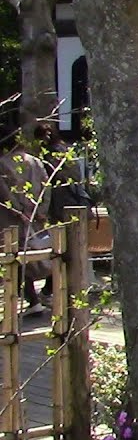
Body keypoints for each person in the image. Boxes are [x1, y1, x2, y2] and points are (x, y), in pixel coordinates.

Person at [0, 124, 50, 316]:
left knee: (14, 258)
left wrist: (18, 211)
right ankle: (36, 298)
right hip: (35, 215)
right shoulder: (35, 161)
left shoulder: (3, 163)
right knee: (31, 254)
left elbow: (5, 193)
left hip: (10, 219)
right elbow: (47, 187)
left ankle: (30, 300)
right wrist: (41, 210)